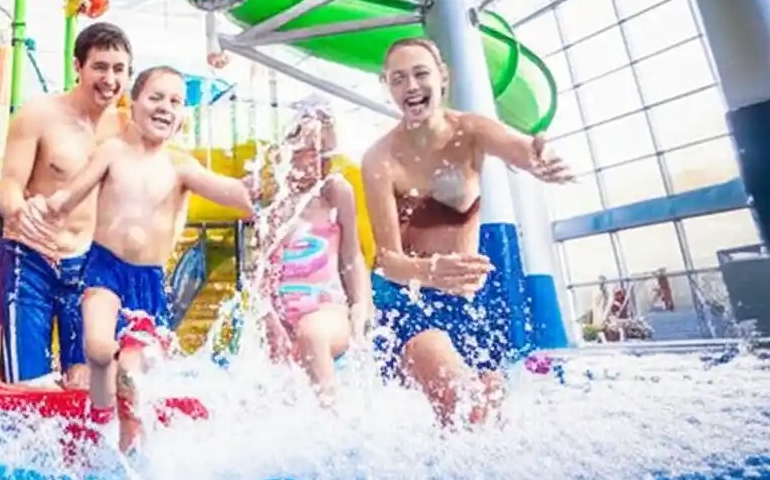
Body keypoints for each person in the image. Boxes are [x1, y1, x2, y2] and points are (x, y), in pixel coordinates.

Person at [361, 37, 573, 427]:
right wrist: (430, 271)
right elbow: (387, 260)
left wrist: (541, 158)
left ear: (442, 76)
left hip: (470, 301)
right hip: (412, 302)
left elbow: (519, 147)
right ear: (387, 85)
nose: (411, 86)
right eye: (398, 79)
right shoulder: (379, 159)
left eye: (420, 74)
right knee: (464, 405)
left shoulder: (471, 132)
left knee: (491, 421)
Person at [43, 66, 254, 452]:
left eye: (175, 101)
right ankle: (100, 422)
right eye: (156, 97)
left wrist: (251, 194)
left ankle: (128, 440)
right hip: (105, 267)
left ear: (183, 116)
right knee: (97, 349)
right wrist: (48, 209)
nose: (164, 107)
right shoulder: (112, 151)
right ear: (134, 103)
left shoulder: (180, 165)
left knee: (131, 370)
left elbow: (226, 190)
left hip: (148, 281)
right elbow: (74, 191)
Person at [0, 22, 132, 388]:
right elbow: (8, 188)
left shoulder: (126, 132)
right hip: (30, 258)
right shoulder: (38, 114)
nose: (109, 79)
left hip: (87, 270)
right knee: (28, 387)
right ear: (77, 66)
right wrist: (22, 212)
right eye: (100, 66)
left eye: (119, 69)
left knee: (89, 384)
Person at [256, 105, 372, 400]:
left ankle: (331, 418)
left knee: (312, 334)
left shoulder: (333, 193)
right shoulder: (275, 207)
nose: (314, 160)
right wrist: (269, 319)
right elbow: (263, 276)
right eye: (306, 149)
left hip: (327, 310)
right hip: (284, 315)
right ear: (288, 150)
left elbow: (352, 256)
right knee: (276, 360)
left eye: (323, 152)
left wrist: (361, 305)